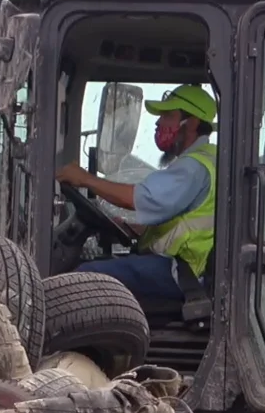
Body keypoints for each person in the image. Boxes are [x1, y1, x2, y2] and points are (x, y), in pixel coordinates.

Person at [54, 84, 217, 316]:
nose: (159, 123)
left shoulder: (194, 167)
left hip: (183, 272)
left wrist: (85, 179)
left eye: (168, 115)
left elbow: (139, 199)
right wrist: (134, 228)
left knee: (82, 279)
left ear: (190, 123)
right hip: (186, 265)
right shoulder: (207, 160)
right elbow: (186, 220)